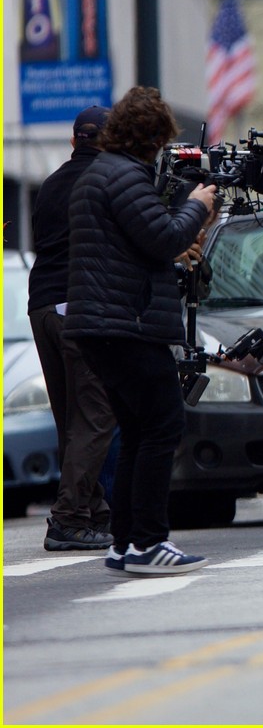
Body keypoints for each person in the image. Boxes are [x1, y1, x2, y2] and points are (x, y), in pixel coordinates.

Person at [64, 86, 217, 575]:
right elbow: (165, 239)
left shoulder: (99, 174)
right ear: (151, 137)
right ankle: (149, 542)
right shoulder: (125, 177)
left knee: (136, 431)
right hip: (124, 324)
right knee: (163, 426)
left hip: (102, 323)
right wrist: (197, 205)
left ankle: (125, 542)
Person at [27, 106, 119, 551]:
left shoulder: (50, 185)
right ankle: (67, 518)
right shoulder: (104, 182)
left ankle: (93, 512)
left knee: (72, 420)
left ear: (73, 142)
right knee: (98, 416)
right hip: (76, 308)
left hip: (41, 307)